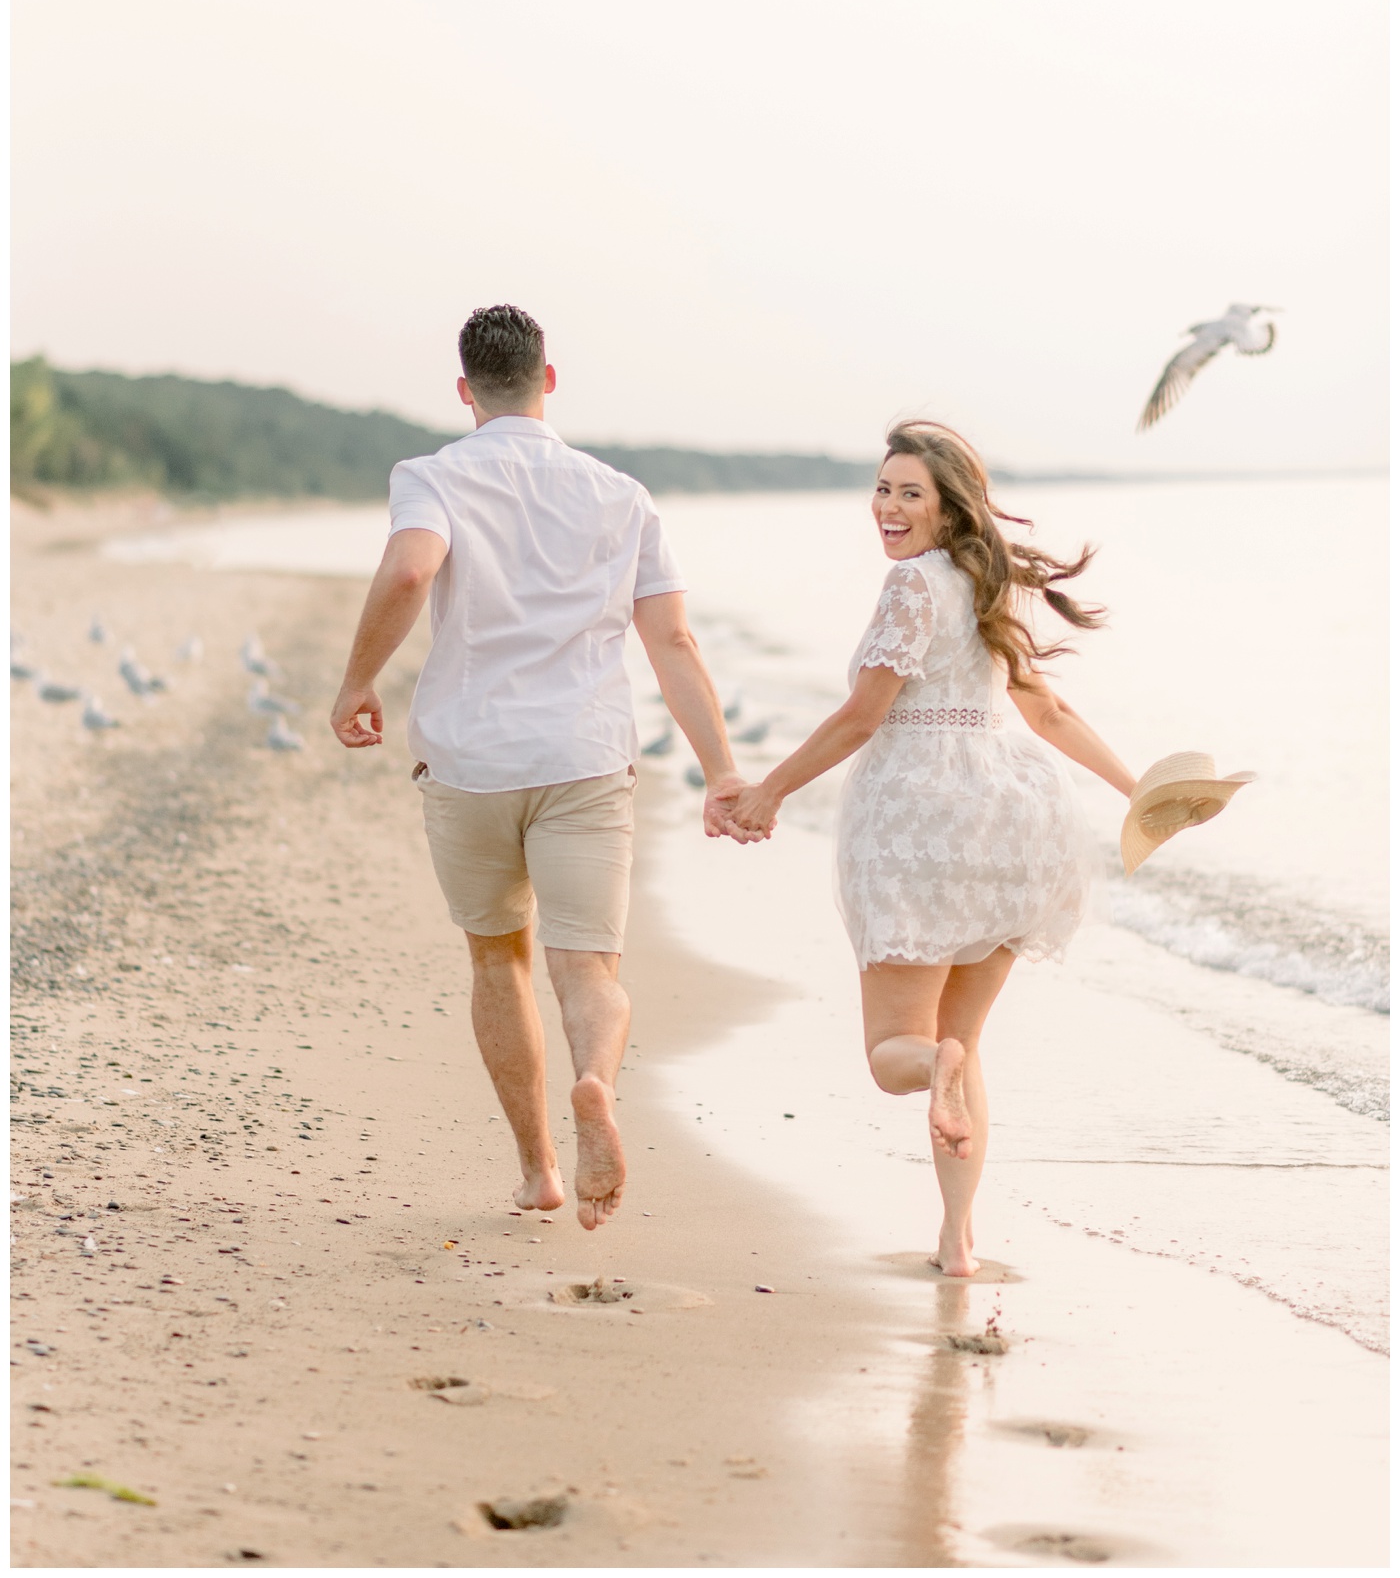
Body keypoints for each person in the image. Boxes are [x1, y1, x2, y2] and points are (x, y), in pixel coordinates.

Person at [329, 304, 754, 1230]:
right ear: (548, 379)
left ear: (464, 390)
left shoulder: (431, 475)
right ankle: (594, 1079)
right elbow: (672, 637)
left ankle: (539, 1170)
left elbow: (409, 573)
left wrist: (358, 681)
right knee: (589, 967)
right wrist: (720, 767)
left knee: (498, 957)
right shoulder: (620, 492)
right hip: (585, 759)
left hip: (471, 760)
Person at [719, 422, 1137, 1277]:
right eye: (882, 488)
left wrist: (768, 791)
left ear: (949, 509)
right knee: (965, 1045)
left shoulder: (912, 586)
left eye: (910, 492)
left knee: (895, 1055)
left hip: (919, 826)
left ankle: (937, 1074)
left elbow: (862, 717)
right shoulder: (986, 585)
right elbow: (1047, 714)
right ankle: (958, 1242)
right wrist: (1142, 792)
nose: (889, 507)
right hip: (1011, 827)